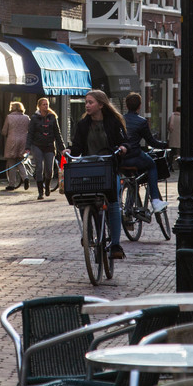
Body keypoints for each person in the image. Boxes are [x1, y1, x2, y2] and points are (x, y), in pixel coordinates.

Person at [69, 90, 129, 260]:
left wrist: (123, 148)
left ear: (101, 105)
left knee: (113, 203)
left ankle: (116, 244)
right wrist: (69, 151)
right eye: (86, 102)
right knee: (80, 197)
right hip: (90, 168)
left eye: (91, 102)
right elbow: (77, 148)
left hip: (109, 167)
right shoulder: (82, 125)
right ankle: (87, 234)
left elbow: (125, 141)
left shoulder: (113, 122)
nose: (87, 105)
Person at [122, 92, 169, 213]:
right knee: (152, 164)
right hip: (134, 156)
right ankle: (155, 200)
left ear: (126, 106)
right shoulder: (141, 122)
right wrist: (164, 145)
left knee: (132, 179)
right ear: (139, 106)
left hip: (121, 158)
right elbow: (151, 142)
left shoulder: (119, 120)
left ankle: (127, 208)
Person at [27, 97, 62, 199]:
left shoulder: (52, 117)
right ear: (39, 106)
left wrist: (62, 148)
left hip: (49, 146)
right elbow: (30, 133)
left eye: (47, 104)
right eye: (44, 104)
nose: (46, 106)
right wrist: (27, 147)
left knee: (49, 170)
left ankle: (47, 186)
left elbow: (57, 133)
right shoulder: (34, 118)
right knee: (39, 168)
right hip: (37, 145)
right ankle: (40, 192)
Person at [0, 100, 31, 191]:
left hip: (12, 140)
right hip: (23, 141)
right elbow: (29, 130)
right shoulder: (26, 118)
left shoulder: (9, 117)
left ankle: (12, 184)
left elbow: (4, 131)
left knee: (11, 163)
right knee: (20, 161)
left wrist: (6, 134)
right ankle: (25, 177)